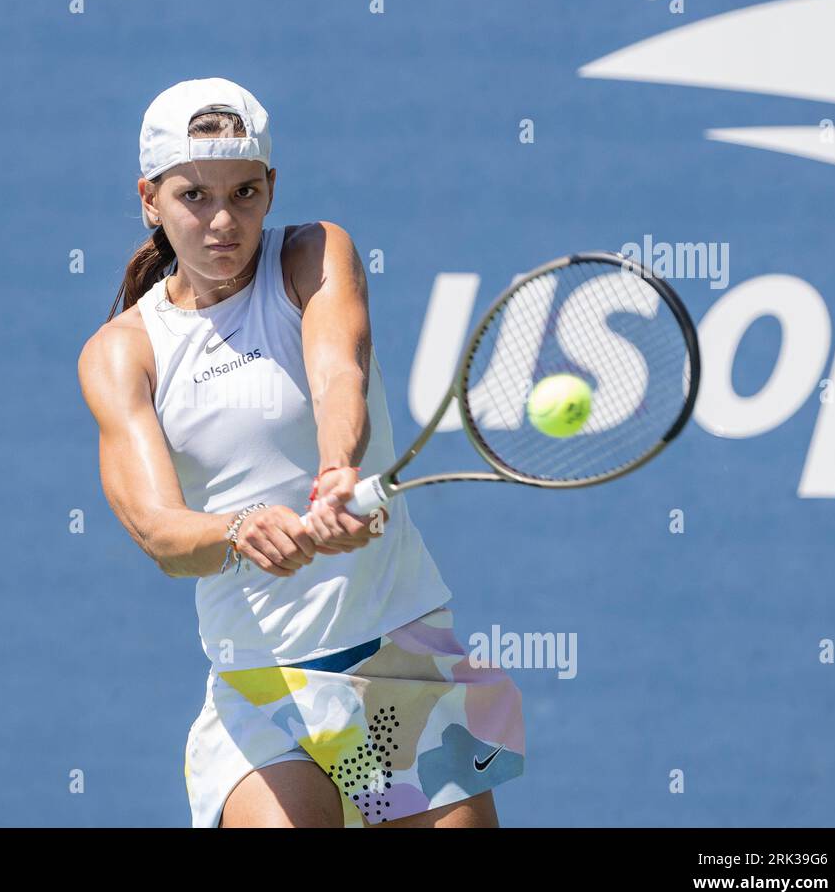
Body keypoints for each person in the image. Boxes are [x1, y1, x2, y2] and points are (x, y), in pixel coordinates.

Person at [78, 77, 524, 828]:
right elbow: (159, 530)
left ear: (272, 187)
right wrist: (235, 530)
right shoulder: (123, 353)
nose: (224, 221)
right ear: (150, 198)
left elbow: (336, 372)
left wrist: (336, 472)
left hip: (396, 655)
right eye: (195, 196)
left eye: (246, 193)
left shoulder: (313, 252)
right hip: (264, 686)